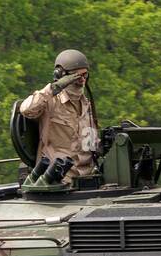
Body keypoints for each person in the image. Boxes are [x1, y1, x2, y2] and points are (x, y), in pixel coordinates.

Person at [16, 49, 100, 183]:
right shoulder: (50, 103)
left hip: (87, 179)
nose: (82, 80)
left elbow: (90, 145)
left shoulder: (87, 106)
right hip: (57, 180)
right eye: (76, 76)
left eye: (85, 75)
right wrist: (54, 87)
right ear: (61, 75)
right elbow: (26, 109)